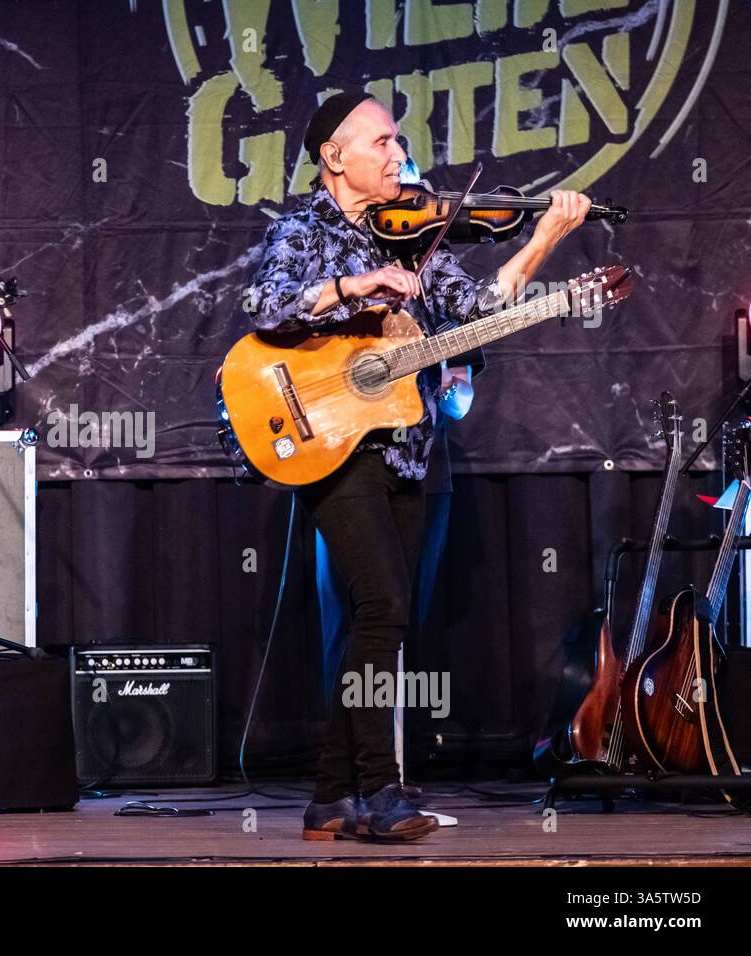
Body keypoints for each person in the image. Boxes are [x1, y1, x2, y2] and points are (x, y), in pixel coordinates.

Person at [241, 90, 590, 842]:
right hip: (331, 440)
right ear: (335, 157)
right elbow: (267, 307)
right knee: (384, 609)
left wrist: (545, 240)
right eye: (385, 143)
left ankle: (330, 796)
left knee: (384, 616)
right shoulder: (302, 229)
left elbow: (483, 309)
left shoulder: (412, 235)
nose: (402, 156)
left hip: (407, 446)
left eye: (401, 144)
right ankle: (379, 792)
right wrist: (355, 286)